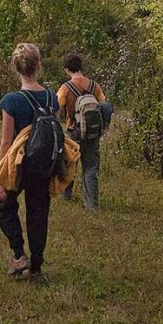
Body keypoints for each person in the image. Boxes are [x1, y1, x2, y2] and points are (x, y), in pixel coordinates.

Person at [0, 43, 74, 279]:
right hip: (44, 165)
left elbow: (6, 143)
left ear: (16, 67)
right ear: (39, 65)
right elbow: (52, 134)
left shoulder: (11, 101)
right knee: (38, 215)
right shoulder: (51, 98)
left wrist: (0, 179)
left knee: (2, 206)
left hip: (19, 166)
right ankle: (36, 267)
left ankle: (19, 256)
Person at [56, 52, 107, 210]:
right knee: (91, 168)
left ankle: (67, 196)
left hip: (74, 132)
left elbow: (57, 109)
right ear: (80, 66)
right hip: (92, 133)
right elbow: (104, 105)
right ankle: (92, 205)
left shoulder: (66, 88)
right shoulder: (94, 85)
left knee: (69, 166)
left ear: (66, 69)